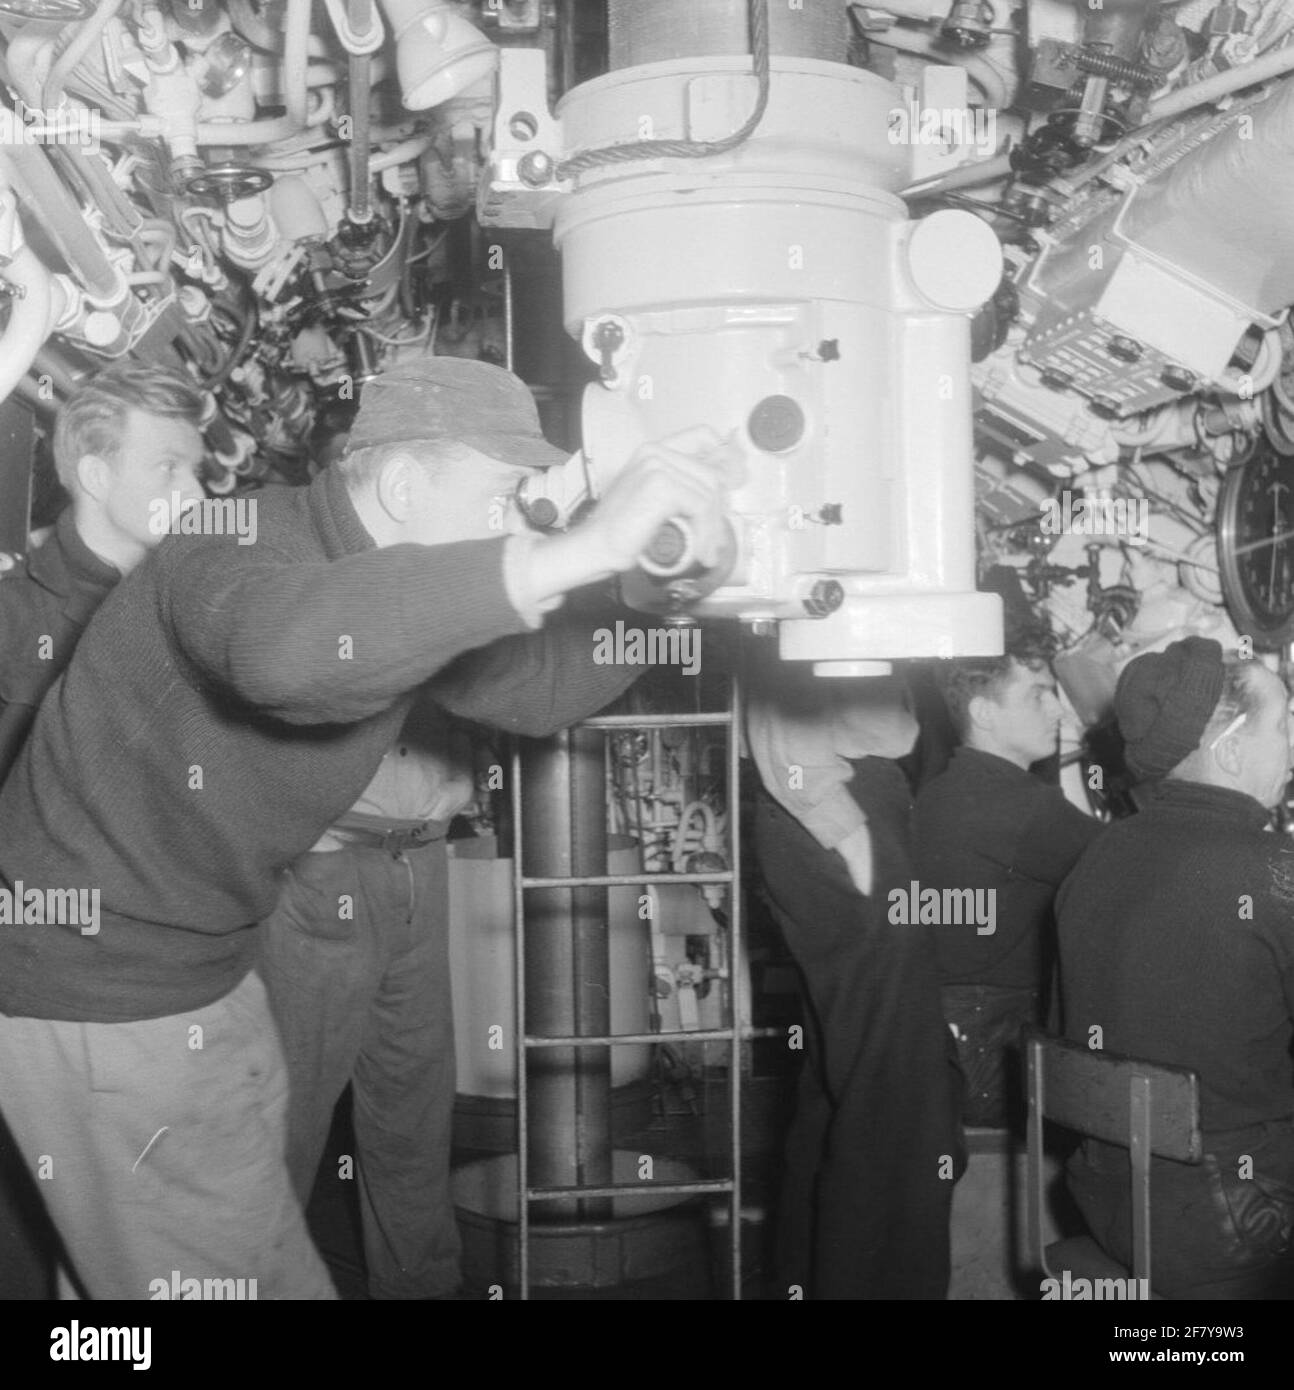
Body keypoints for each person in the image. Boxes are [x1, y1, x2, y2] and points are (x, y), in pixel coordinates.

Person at [0, 356, 738, 1299]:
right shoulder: (240, 539)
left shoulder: (381, 587)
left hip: (201, 972)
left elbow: (543, 688)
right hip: (101, 985)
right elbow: (279, 653)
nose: (527, 512)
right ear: (400, 485)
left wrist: (659, 588)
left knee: (171, 1266)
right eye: (506, 491)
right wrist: (578, 552)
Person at [0, 363, 205, 1300]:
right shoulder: (13, 614)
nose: (195, 494)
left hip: (162, 988)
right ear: (91, 471)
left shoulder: (189, 608)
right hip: (38, 984)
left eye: (197, 470)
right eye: (169, 468)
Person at [1058, 636, 1294, 1299]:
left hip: (1109, 1201)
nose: (1293, 748)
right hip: (1243, 1222)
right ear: (1233, 746)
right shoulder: (1275, 871)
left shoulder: (1096, 859)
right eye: (1286, 726)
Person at [746, 659, 964, 1299]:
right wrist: (848, 834)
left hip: (846, 811)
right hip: (840, 811)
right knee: (899, 1106)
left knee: (843, 1091)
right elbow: (786, 676)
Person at [913, 649, 1099, 1127]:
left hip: (939, 1031)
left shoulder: (941, 790)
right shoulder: (1019, 807)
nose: (1056, 710)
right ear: (984, 713)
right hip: (987, 1037)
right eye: (1037, 696)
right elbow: (1130, 868)